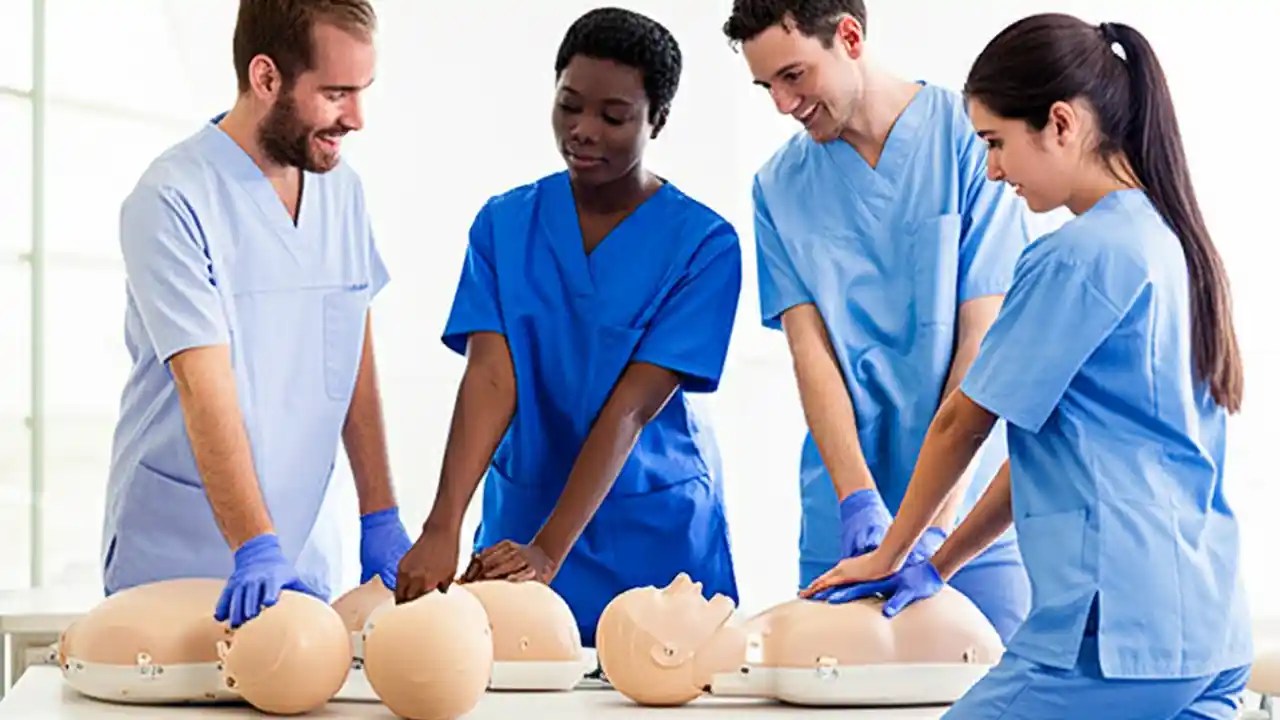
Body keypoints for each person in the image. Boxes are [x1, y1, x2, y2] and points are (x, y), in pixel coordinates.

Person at [801, 13, 1252, 718]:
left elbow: (961, 423)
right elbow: (1046, 458)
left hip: (1113, 633)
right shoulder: (1174, 245)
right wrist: (938, 563)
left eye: (996, 142)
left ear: (1062, 124)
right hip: (1211, 635)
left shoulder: (1075, 256)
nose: (992, 169)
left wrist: (888, 553)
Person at [395, 7, 743, 647]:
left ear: (656, 120)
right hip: (519, 524)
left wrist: (550, 550)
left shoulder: (703, 246)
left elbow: (631, 410)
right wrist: (442, 524)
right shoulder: (503, 226)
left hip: (652, 538)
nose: (584, 131)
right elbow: (491, 378)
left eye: (614, 117)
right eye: (569, 106)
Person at [720, 0, 1031, 641]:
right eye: (766, 86)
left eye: (794, 76)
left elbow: (983, 338)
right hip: (845, 511)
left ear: (850, 36)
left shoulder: (971, 138)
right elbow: (813, 356)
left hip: (973, 515)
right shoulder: (779, 187)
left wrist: (936, 525)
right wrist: (858, 502)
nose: (783, 104)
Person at [102, 0, 412, 629]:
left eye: (362, 91)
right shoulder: (172, 199)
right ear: (266, 77)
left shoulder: (340, 189)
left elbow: (353, 353)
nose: (356, 118)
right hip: (186, 554)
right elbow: (202, 387)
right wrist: (253, 543)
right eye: (335, 93)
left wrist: (379, 513)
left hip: (305, 552)